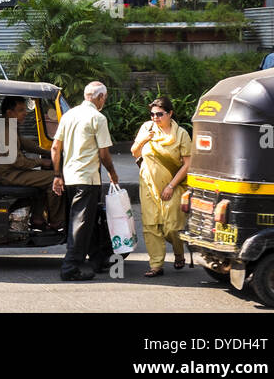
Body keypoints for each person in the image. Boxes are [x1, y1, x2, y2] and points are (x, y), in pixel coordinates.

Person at [51, 81, 120, 281]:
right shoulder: (97, 118)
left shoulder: (68, 115)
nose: (103, 102)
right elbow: (104, 153)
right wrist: (112, 172)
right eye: (103, 99)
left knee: (85, 221)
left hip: (70, 176)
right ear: (100, 98)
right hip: (87, 178)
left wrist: (57, 175)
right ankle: (70, 267)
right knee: (80, 224)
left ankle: (97, 258)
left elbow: (55, 148)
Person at [131, 96, 192, 277]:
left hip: (171, 186)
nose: (155, 118)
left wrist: (171, 186)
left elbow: (187, 164)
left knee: (172, 226)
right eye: (152, 114)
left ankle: (179, 252)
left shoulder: (181, 134)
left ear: (170, 113)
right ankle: (156, 265)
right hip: (148, 185)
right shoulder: (147, 128)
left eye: (159, 114)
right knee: (151, 226)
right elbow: (134, 152)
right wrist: (142, 140)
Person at [0, 96, 65, 229]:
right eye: (21, 110)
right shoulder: (6, 130)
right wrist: (41, 162)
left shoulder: (9, 125)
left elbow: (24, 143)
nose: (25, 113)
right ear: (10, 113)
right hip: (9, 174)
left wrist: (47, 152)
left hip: (10, 171)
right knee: (53, 179)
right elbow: (18, 161)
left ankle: (38, 218)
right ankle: (57, 221)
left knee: (43, 177)